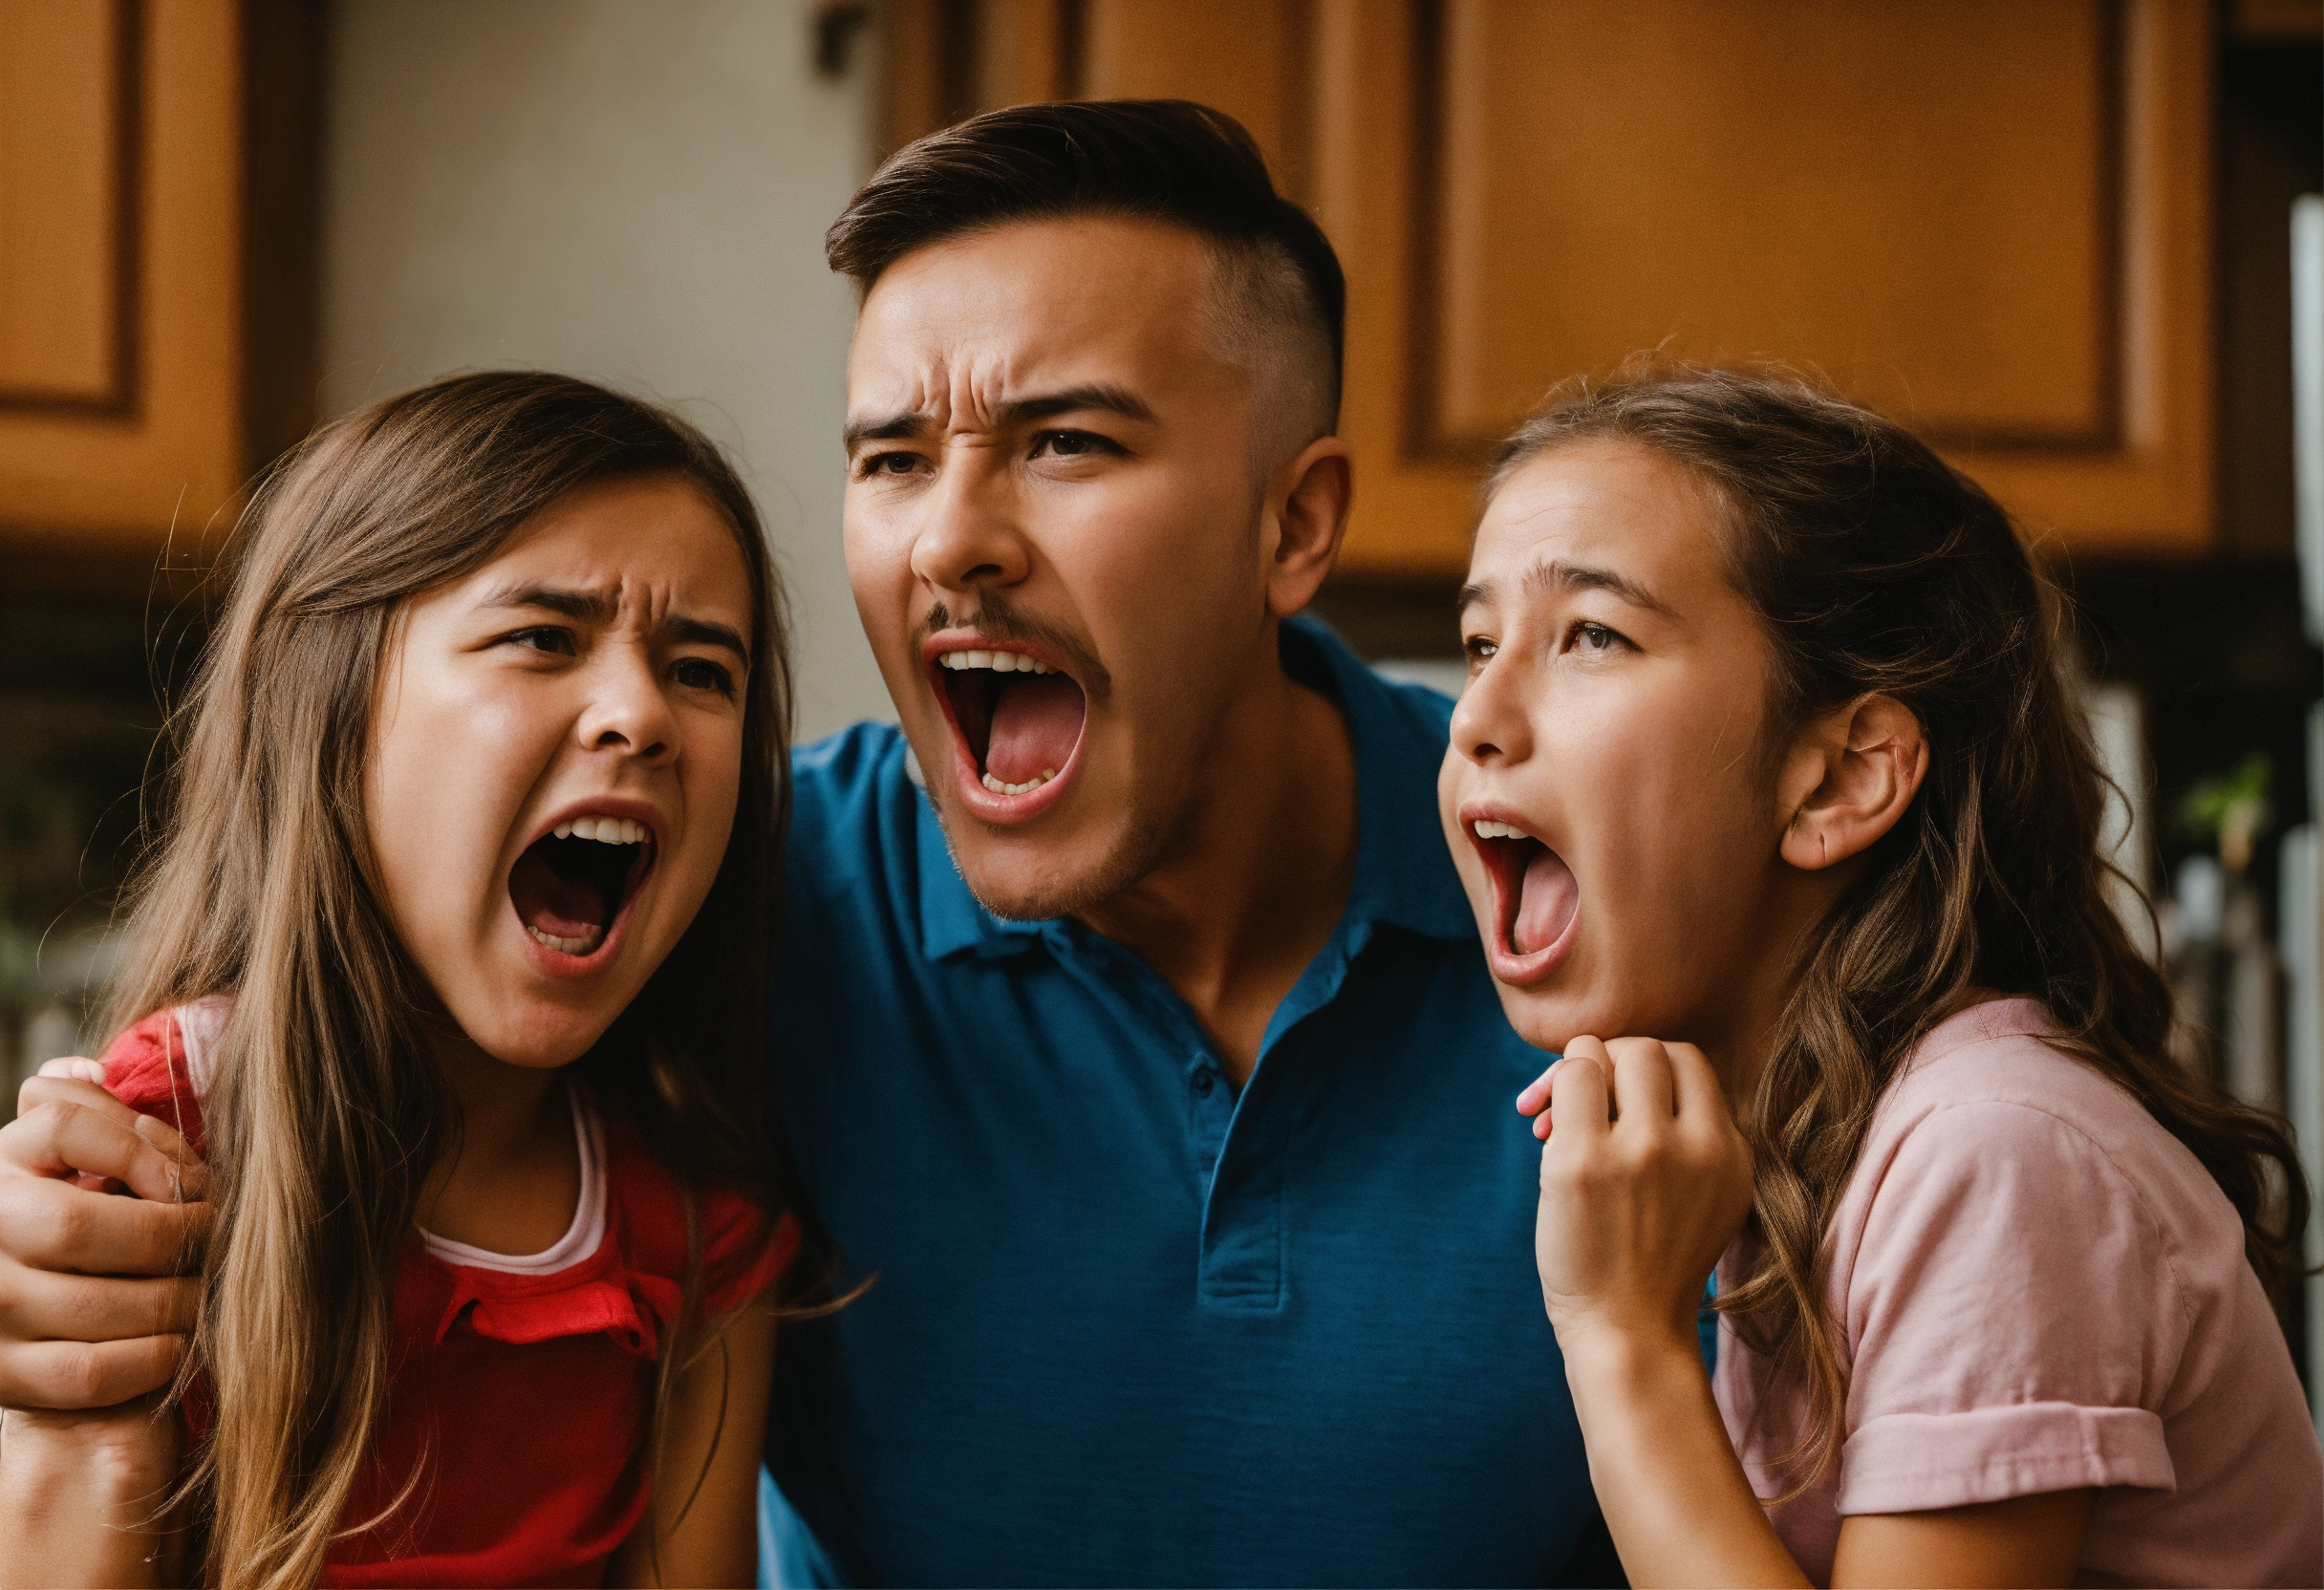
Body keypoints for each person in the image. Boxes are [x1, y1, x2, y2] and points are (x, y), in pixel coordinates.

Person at [0, 103, 1620, 1585]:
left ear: (1295, 521)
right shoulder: (732, 907)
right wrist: (62, 1247)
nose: (952, 540)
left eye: (1064, 442)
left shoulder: (1608, 897)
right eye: (892, 459)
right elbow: (346, 1055)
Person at [1441, 365, 2323, 1587]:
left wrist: (1622, 1341)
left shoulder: (1991, 1153)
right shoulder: (1804, 1143)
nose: (1473, 716)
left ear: (1840, 777)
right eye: (1478, 642)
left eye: (1592, 633)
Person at [0, 373, 803, 1586]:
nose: (641, 713)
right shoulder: (156, 1149)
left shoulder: (698, 1224)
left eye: (702, 669)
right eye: (544, 638)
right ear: (330, 699)